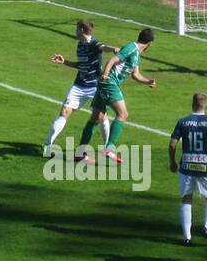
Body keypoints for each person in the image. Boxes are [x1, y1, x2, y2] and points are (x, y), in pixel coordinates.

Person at [75, 28, 156, 163]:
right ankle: (109, 148)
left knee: (96, 118)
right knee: (123, 114)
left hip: (106, 83)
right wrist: (106, 74)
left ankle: (79, 153)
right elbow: (113, 59)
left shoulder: (136, 53)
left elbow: (135, 75)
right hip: (109, 82)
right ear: (150, 43)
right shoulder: (131, 48)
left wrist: (148, 81)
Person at [43, 19, 117, 154]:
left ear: (82, 29)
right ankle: (48, 145)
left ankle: (107, 147)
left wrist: (114, 49)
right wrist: (65, 62)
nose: (75, 31)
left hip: (95, 87)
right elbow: (81, 65)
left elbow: (103, 47)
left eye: (77, 28)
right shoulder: (80, 45)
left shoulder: (93, 43)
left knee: (102, 116)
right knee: (64, 112)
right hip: (79, 85)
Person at [168, 92, 207, 245]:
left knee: (187, 198)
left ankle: (187, 238)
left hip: (186, 165)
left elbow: (173, 144)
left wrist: (172, 161)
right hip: (205, 166)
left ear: (192, 104)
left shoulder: (183, 122)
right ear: (206, 104)